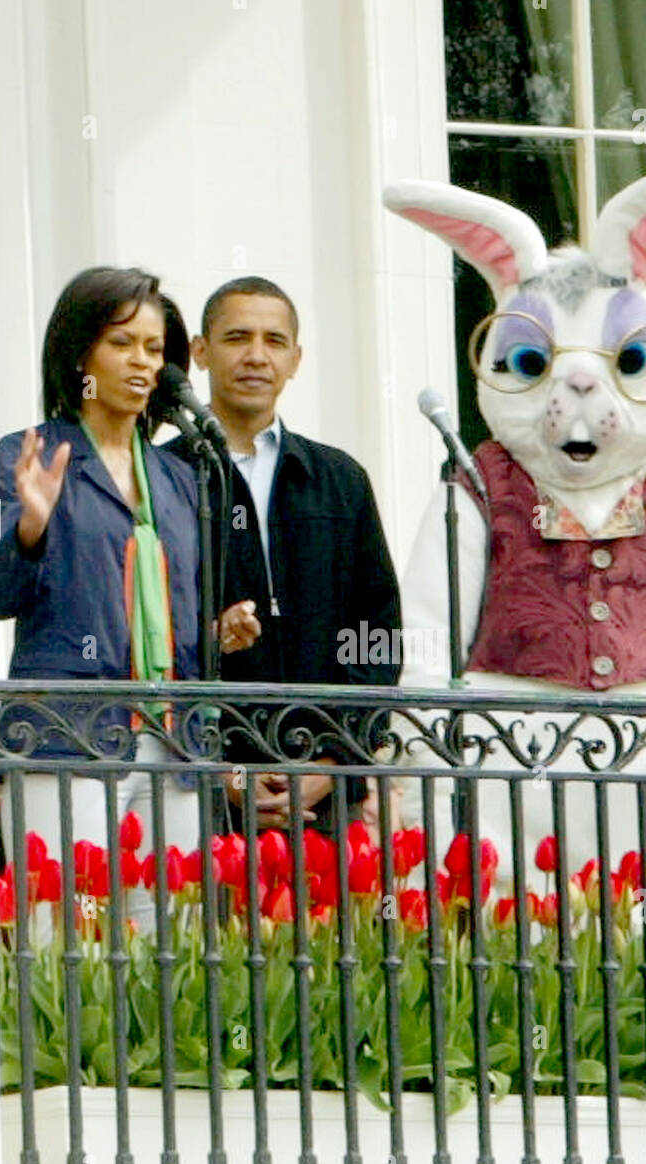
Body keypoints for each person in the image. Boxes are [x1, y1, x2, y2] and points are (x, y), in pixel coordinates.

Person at [0, 266, 240, 870]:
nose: (142, 362)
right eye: (121, 344)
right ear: (80, 358)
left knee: (174, 930)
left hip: (174, 741)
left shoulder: (180, 475)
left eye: (153, 348)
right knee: (75, 930)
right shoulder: (27, 454)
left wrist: (217, 629)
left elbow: (181, 611)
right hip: (68, 733)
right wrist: (30, 528)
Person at [168, 275, 401, 830]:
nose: (256, 356)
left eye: (274, 341)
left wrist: (336, 759)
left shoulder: (339, 479)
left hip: (324, 788)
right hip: (203, 785)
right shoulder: (167, 475)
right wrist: (221, 769)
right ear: (200, 351)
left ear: (296, 359)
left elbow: (375, 631)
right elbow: (147, 639)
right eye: (236, 338)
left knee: (337, 922)